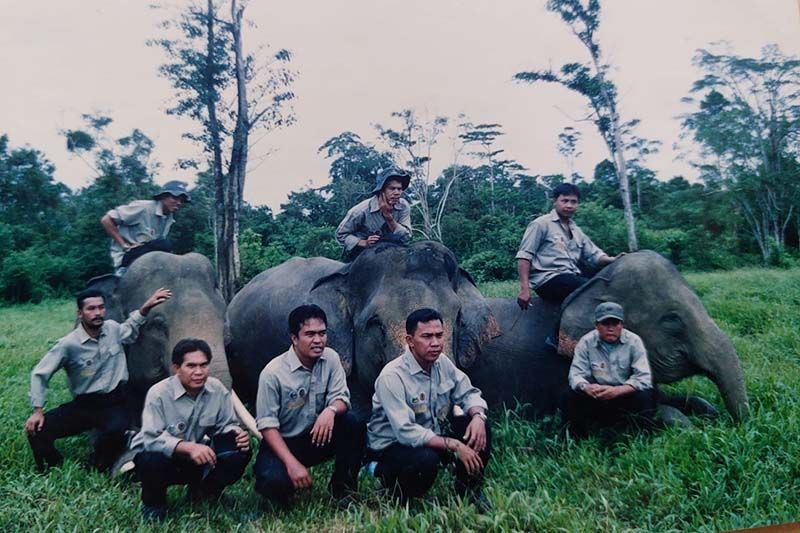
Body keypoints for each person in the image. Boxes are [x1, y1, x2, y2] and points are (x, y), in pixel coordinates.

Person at [25, 286, 172, 472]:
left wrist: (146, 307)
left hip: (115, 402)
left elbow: (130, 326)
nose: (97, 313)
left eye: (101, 307)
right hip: (84, 404)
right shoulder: (69, 344)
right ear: (80, 313)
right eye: (91, 309)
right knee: (37, 431)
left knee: (117, 431)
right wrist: (38, 410)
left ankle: (96, 463)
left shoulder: (112, 329)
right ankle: (53, 466)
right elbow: (41, 373)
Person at [366, 308, 491, 508]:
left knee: (477, 428)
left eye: (439, 335)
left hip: (432, 435)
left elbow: (469, 393)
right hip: (392, 446)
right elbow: (405, 431)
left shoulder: (442, 363)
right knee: (426, 460)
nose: (435, 343)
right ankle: (394, 490)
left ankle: (469, 491)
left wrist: (478, 417)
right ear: (409, 340)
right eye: (426, 336)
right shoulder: (392, 376)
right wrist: (455, 445)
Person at [253, 304, 365, 508]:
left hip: (317, 436)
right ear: (294, 338)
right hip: (283, 442)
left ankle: (343, 491)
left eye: (322, 333)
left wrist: (330, 411)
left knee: (353, 423)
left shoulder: (330, 358)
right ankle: (279, 489)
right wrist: (292, 464)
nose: (318, 340)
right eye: (310, 334)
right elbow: (267, 426)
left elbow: (342, 398)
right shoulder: (273, 373)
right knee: (273, 483)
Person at [130, 338, 252, 520]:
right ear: (176, 368)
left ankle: (206, 491)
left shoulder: (216, 389)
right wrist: (189, 447)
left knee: (238, 449)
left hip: (199, 458)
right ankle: (154, 504)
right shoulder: (158, 393)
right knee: (151, 460)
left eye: (204, 365)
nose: (199, 372)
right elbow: (151, 438)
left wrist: (237, 433)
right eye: (191, 366)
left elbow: (226, 424)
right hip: (165, 458)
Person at [516, 183, 621, 308]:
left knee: (607, 278)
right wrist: (524, 289)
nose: (569, 205)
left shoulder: (576, 230)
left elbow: (595, 255)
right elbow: (524, 256)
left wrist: (615, 260)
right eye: (565, 201)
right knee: (591, 287)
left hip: (571, 276)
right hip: (549, 279)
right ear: (555, 202)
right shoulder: (541, 224)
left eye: (573, 202)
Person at [562, 302, 655, 435]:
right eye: (605, 323)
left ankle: (642, 436)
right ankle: (575, 437)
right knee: (568, 395)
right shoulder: (586, 341)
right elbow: (575, 375)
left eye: (615, 323)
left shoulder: (634, 341)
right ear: (596, 325)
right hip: (597, 395)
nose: (610, 328)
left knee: (645, 395)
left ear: (622, 325)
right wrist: (586, 387)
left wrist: (618, 390)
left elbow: (644, 378)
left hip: (624, 394)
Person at [101, 180, 190, 276]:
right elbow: (106, 220)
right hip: (129, 255)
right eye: (175, 198)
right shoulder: (143, 208)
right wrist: (124, 246)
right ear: (163, 196)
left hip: (150, 256)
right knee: (163, 244)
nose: (179, 203)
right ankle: (123, 270)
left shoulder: (168, 218)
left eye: (182, 200)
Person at [335, 168, 412, 259]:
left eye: (399, 189)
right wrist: (363, 242)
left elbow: (406, 238)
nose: (397, 193)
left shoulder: (403, 206)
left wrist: (389, 218)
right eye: (392, 188)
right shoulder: (360, 211)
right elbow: (340, 235)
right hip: (362, 255)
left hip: (393, 252)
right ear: (381, 190)